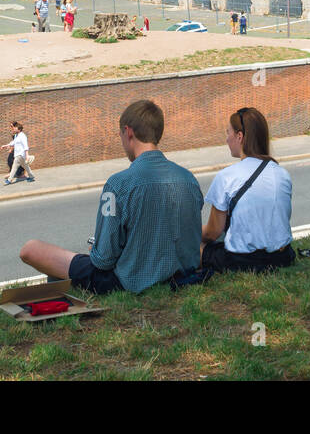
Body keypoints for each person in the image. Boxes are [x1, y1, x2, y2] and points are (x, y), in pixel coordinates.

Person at [18, 100, 204, 294]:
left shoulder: (117, 184)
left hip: (128, 282)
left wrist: (96, 251)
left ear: (128, 132)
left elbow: (103, 260)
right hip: (183, 276)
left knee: (31, 249)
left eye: (120, 135)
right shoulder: (189, 179)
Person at [200, 107, 295, 274]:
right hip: (283, 257)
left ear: (239, 136)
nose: (226, 139)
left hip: (243, 261)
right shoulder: (282, 173)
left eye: (228, 132)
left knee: (196, 248)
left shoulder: (227, 176)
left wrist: (188, 231)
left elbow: (211, 233)